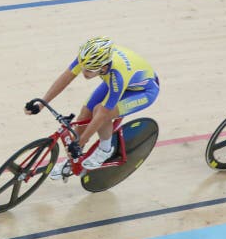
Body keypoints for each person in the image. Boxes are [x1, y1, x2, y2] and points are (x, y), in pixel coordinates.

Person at [24, 36, 160, 179]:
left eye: (89, 71)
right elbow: (66, 78)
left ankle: (105, 149)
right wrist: (41, 104)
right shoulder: (88, 58)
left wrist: (80, 142)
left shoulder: (117, 76)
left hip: (143, 91)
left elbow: (103, 114)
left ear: (104, 67)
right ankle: (72, 162)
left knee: (100, 111)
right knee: (84, 115)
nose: (84, 72)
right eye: (83, 68)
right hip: (118, 81)